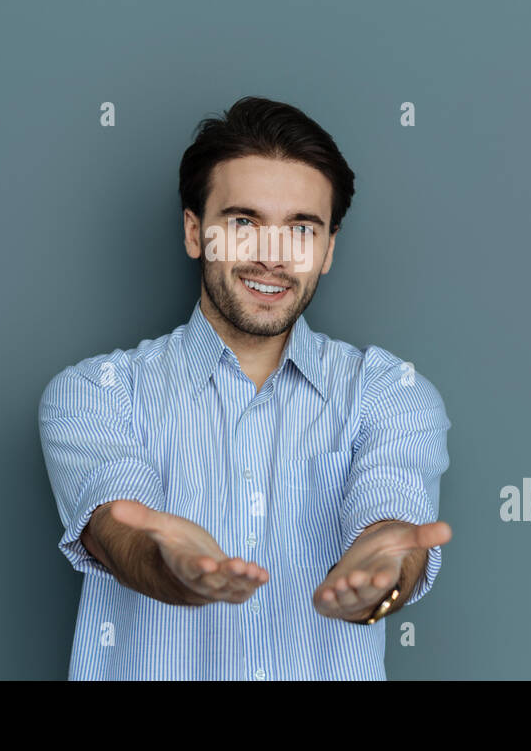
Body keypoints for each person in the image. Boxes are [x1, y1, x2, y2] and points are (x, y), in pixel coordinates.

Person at [39, 96, 452, 679]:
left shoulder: (391, 393)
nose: (271, 258)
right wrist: (168, 563)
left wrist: (384, 573)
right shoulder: (95, 394)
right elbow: (118, 535)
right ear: (193, 232)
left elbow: (391, 529)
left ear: (328, 250)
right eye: (243, 223)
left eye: (302, 229)